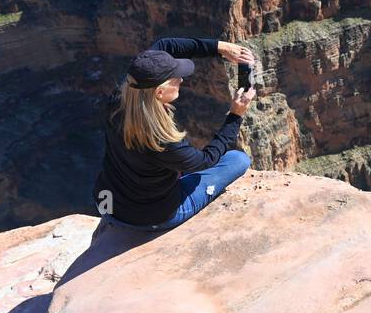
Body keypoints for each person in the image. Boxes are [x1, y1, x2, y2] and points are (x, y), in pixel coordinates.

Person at [93, 37, 256, 231]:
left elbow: (164, 46)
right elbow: (205, 160)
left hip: (106, 204)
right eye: (175, 78)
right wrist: (235, 115)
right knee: (238, 160)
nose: (181, 80)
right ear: (159, 93)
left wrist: (220, 47)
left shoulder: (121, 97)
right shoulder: (162, 141)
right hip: (149, 218)